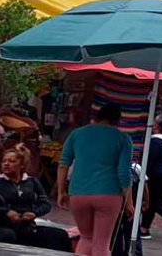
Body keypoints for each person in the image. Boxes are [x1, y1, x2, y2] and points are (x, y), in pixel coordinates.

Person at [57, 103, 134, 256]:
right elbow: (124, 173)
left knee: (86, 238)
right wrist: (129, 203)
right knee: (102, 242)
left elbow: (63, 165)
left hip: (78, 192)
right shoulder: (123, 138)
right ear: (117, 120)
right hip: (109, 193)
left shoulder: (77, 134)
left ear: (97, 117)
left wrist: (61, 191)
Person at [0, 144, 71, 251]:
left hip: (25, 227)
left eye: (12, 161)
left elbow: (45, 204)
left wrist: (34, 213)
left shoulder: (32, 182)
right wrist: (6, 211)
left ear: (22, 165)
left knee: (60, 235)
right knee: (8, 235)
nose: (6, 164)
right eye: (4, 161)